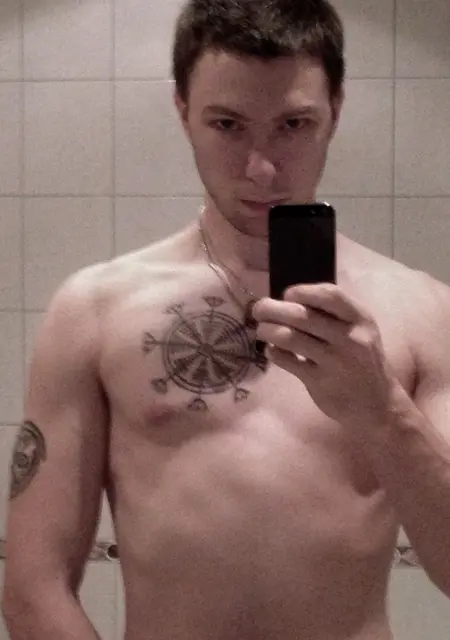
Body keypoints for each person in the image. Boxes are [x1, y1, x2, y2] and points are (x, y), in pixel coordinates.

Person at [3, 0, 450, 638]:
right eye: (228, 124)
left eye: (293, 124)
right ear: (182, 110)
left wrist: (382, 412)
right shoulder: (96, 310)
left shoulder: (422, 310)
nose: (261, 167)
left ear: (336, 109)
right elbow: (32, 587)